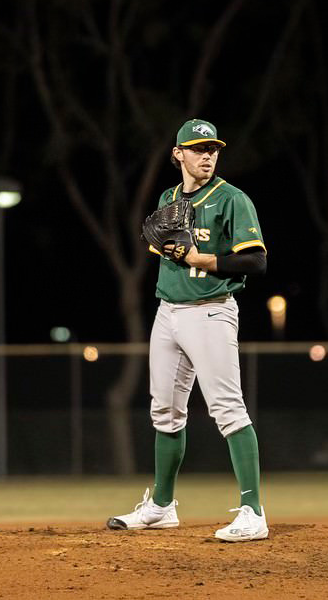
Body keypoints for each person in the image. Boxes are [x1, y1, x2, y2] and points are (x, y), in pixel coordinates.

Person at [107, 119, 270, 542]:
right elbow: (161, 244)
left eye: (213, 148)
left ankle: (253, 512)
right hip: (168, 312)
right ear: (178, 154)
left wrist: (204, 259)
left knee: (228, 410)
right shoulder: (169, 197)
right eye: (198, 148)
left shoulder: (233, 199)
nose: (207, 155)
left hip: (211, 311)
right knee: (164, 412)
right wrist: (168, 247)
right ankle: (161, 506)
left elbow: (255, 262)